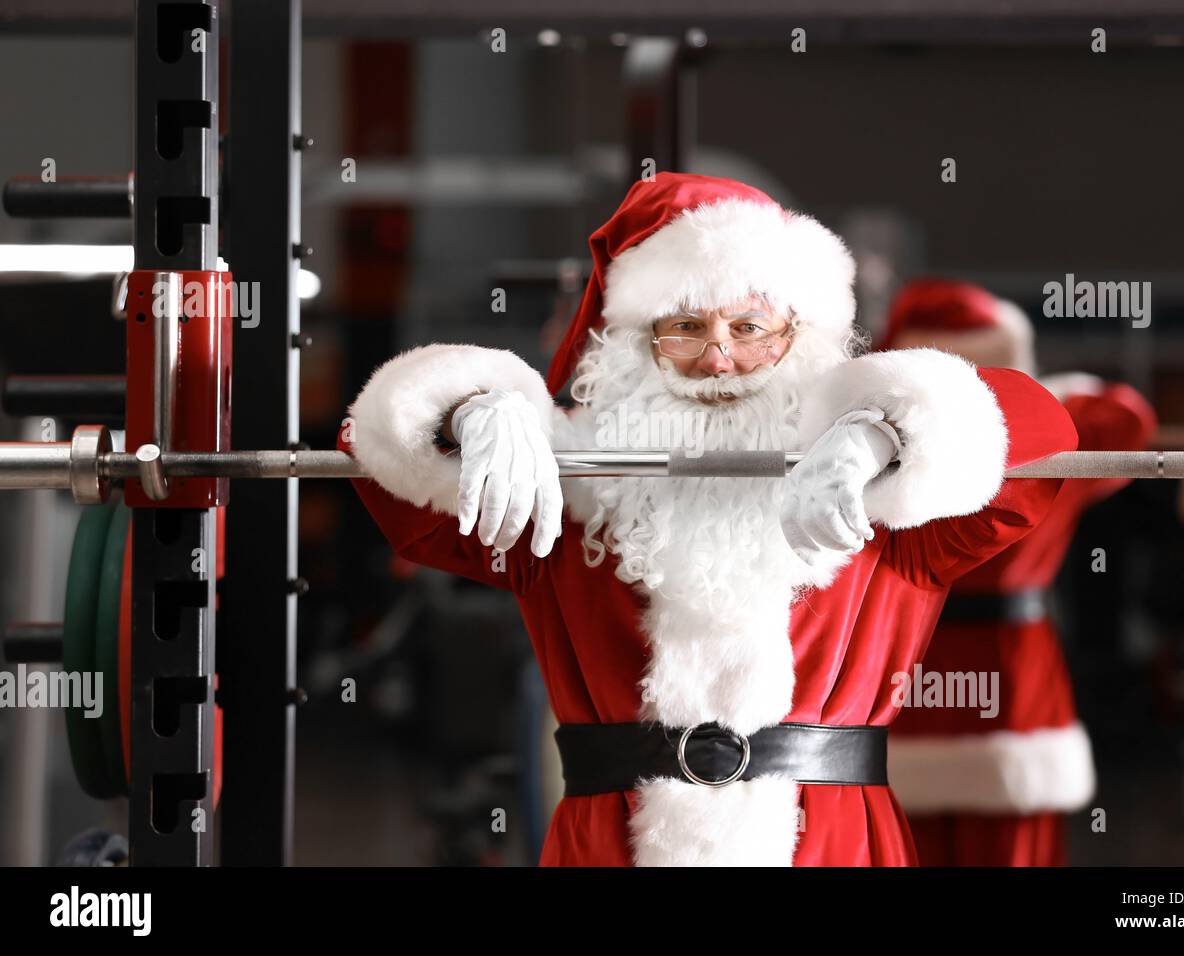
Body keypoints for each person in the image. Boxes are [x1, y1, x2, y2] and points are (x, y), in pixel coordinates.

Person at [336, 172, 1078, 866]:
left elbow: (1046, 432)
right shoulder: (557, 494)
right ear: (634, 344)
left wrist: (887, 428)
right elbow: (381, 465)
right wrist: (470, 407)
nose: (720, 360)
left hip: (830, 845)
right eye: (685, 326)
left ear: (802, 334)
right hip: (612, 844)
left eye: (752, 326)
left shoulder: (891, 501)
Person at [882, 278, 1157, 866]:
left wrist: (1001, 400)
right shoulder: (1044, 438)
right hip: (932, 663)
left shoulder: (883, 449)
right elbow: (1125, 419)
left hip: (958, 664)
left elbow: (1126, 420)